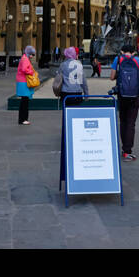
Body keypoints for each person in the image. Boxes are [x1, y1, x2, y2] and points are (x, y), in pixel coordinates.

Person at [56, 46, 88, 184]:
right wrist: (86, 93)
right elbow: (83, 80)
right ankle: (76, 135)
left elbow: (58, 76)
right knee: (77, 116)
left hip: (66, 94)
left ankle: (66, 135)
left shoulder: (63, 65)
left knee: (66, 115)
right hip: (77, 93)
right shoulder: (79, 64)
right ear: (74, 54)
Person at [112, 44, 139, 160]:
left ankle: (124, 147)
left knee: (123, 121)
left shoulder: (118, 59)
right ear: (133, 51)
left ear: (122, 51)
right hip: (134, 95)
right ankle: (127, 150)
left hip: (122, 94)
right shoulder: (137, 60)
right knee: (131, 123)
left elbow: (112, 76)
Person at [16, 45, 37, 125]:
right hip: (24, 82)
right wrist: (31, 72)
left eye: (33, 55)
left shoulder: (25, 58)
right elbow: (24, 69)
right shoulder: (25, 59)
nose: (32, 56)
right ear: (28, 53)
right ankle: (23, 119)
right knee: (24, 101)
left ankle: (23, 119)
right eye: (32, 54)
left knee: (24, 101)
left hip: (23, 81)